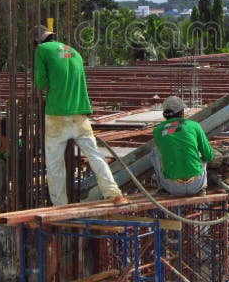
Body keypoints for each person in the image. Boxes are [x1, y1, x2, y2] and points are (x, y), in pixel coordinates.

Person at [33, 25, 129, 206]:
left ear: (37, 41)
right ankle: (115, 194)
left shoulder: (42, 50)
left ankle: (60, 205)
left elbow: (40, 82)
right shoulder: (74, 52)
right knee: (95, 157)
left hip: (56, 116)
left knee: (54, 165)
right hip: (81, 115)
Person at [151, 96, 214, 196]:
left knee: (155, 151)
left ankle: (162, 188)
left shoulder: (158, 130)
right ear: (182, 112)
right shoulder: (193, 125)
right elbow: (209, 156)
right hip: (196, 185)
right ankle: (202, 188)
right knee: (203, 151)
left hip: (172, 187)